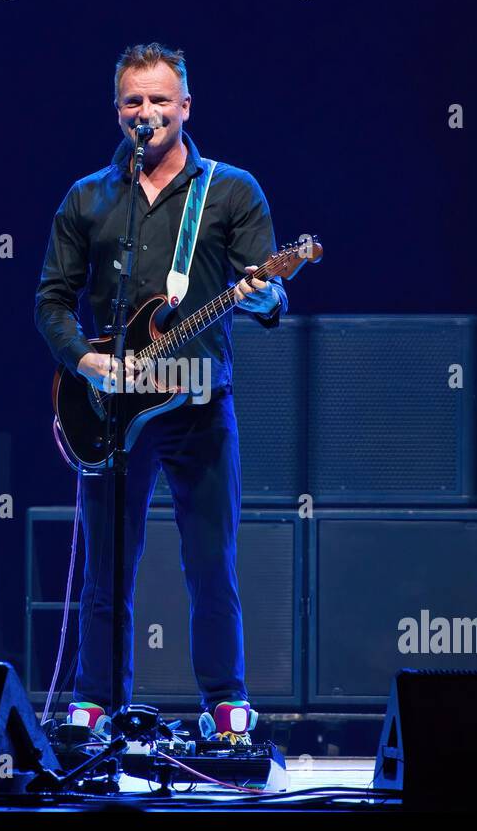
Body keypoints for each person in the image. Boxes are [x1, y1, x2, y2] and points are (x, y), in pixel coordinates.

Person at [34, 43, 287, 744]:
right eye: (133, 102)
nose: (146, 112)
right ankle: (95, 698)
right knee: (107, 566)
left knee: (211, 560)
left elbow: (268, 294)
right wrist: (84, 359)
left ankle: (227, 702)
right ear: (119, 111)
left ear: (185, 106)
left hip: (200, 403)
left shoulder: (232, 190)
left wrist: (267, 294)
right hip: (112, 407)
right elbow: (52, 299)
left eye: (159, 100)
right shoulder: (88, 197)